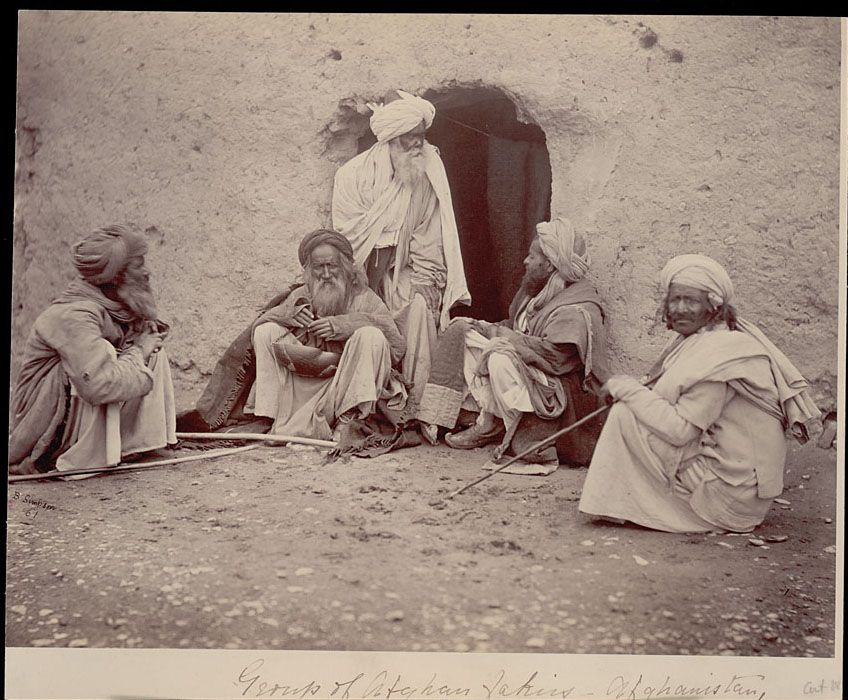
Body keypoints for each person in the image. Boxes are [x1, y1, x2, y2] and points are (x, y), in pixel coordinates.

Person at [578, 254, 821, 533]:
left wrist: (625, 387)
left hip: (730, 500)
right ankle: (620, 502)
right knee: (636, 407)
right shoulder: (706, 340)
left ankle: (619, 503)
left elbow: (681, 431)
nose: (680, 309)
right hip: (739, 489)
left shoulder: (720, 353)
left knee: (625, 413)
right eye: (674, 300)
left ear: (713, 306)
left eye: (691, 301)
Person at [417, 218, 610, 474]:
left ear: (550, 264)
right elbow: (514, 327)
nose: (525, 262)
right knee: (464, 333)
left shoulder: (577, 308)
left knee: (499, 356)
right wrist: (482, 326)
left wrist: (498, 336)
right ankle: (486, 419)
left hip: (561, 388)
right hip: (531, 372)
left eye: (532, 257)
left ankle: (508, 429)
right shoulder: (533, 292)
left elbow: (556, 358)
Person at [331, 89, 470, 408]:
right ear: (391, 139)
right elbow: (347, 236)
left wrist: (426, 283)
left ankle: (420, 407)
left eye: (421, 136)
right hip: (362, 271)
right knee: (363, 322)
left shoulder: (426, 172)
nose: (419, 145)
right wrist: (360, 279)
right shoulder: (351, 176)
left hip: (407, 268)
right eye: (411, 138)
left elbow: (430, 233)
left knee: (420, 309)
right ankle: (370, 402)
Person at [9, 224, 176, 476]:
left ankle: (137, 444)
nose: (147, 272)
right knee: (110, 358)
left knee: (152, 349)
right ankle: (85, 457)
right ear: (116, 276)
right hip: (44, 423)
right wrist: (137, 351)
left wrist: (144, 337)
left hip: (86, 394)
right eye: (138, 265)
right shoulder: (74, 314)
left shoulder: (114, 302)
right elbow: (97, 385)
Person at [244, 229, 406, 441]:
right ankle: (269, 417)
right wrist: (288, 314)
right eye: (320, 267)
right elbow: (260, 323)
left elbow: (396, 348)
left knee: (371, 336)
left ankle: (349, 420)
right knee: (266, 331)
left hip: (345, 385)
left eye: (332, 265)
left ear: (345, 267)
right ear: (310, 270)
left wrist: (344, 326)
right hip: (303, 384)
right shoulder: (303, 294)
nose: (326, 274)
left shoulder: (364, 297)